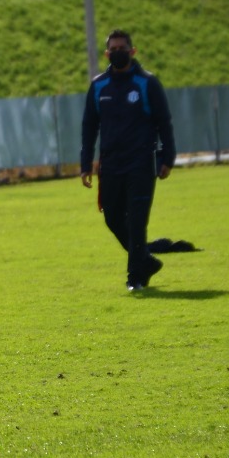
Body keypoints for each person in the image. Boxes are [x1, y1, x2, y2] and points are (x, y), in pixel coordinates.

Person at [80, 29, 177, 292]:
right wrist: (86, 162)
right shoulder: (99, 85)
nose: (118, 52)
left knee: (136, 220)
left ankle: (135, 277)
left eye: (123, 47)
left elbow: (164, 121)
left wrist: (168, 157)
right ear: (107, 53)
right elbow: (89, 125)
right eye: (113, 48)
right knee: (112, 218)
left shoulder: (147, 83)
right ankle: (144, 260)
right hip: (110, 165)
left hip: (141, 163)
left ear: (132, 51)